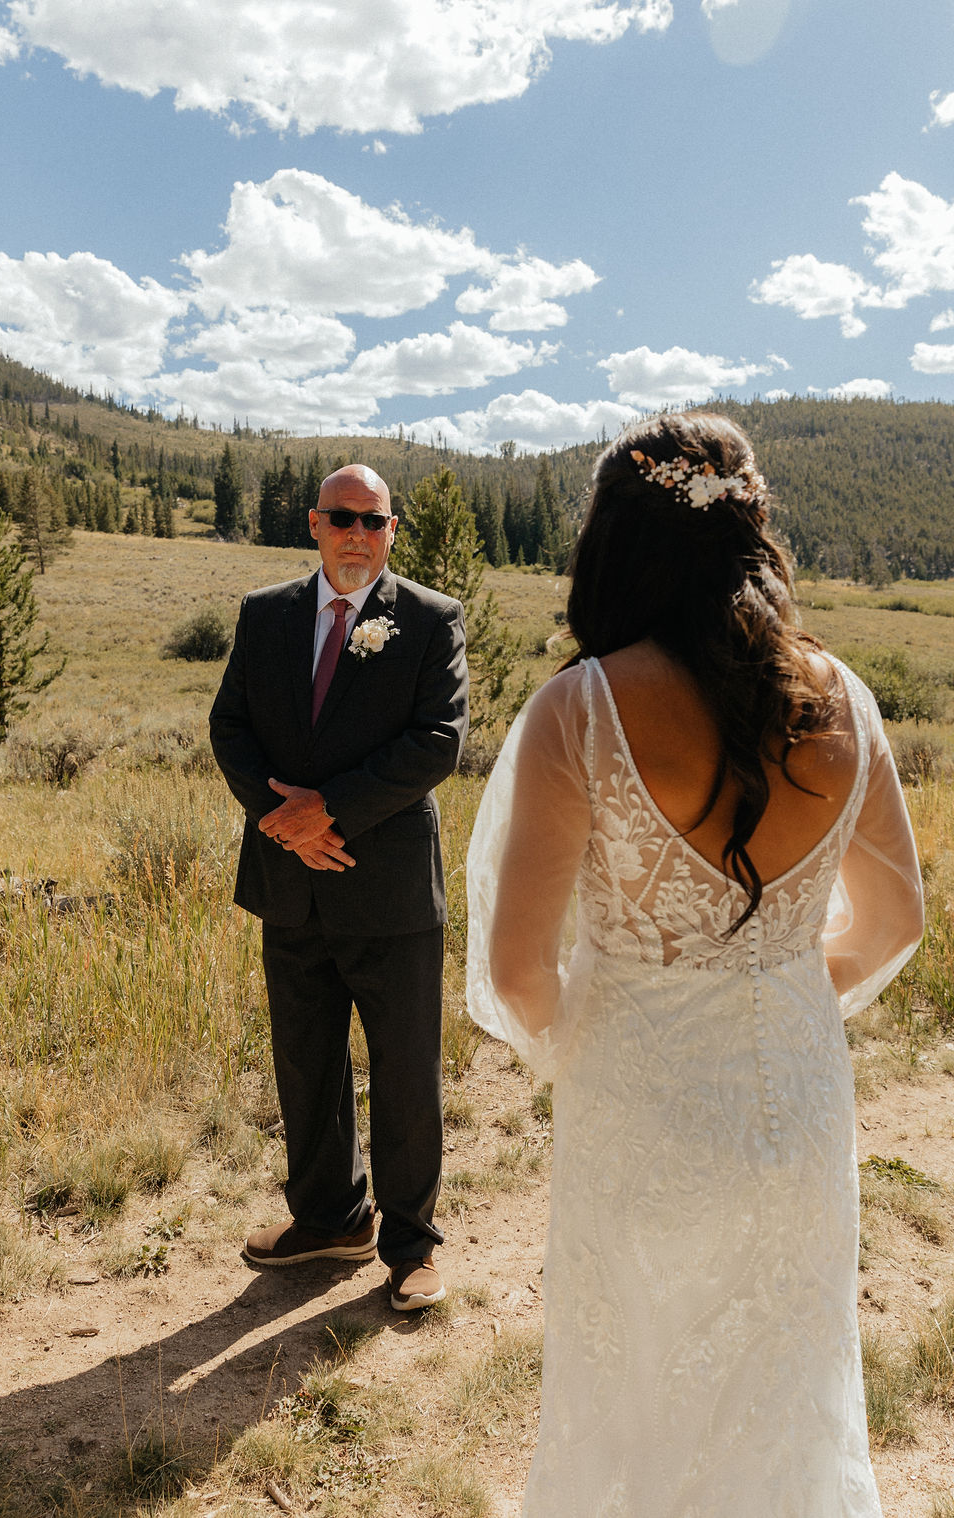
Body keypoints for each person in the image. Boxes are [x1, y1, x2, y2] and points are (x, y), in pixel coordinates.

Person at [466, 412, 923, 1515]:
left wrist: (588, 1039)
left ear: (613, 545)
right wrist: (780, 989)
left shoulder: (582, 710)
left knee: (637, 1378)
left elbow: (518, 972)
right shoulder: (843, 700)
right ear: (752, 533)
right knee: (786, 1377)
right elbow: (895, 920)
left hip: (639, 1100)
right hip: (795, 1093)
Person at [210, 464, 469, 1311]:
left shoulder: (430, 619)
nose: (358, 533)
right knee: (305, 1059)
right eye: (342, 517)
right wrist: (281, 821)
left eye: (374, 520)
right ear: (315, 525)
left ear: (392, 530)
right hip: (290, 883)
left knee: (405, 1071)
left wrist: (330, 813)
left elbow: (439, 741)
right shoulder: (266, 614)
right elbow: (230, 726)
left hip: (389, 890)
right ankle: (330, 1219)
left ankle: (411, 1246)